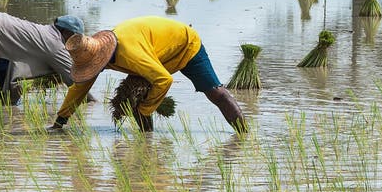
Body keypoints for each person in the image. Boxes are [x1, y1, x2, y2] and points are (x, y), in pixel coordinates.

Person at [49, 15, 246, 131]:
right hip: (155, 53)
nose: (93, 71)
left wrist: (145, 109)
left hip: (185, 45)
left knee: (216, 94)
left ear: (103, 58)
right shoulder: (96, 53)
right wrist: (60, 121)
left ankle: (245, 136)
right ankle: (147, 143)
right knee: (134, 95)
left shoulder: (129, 54)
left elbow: (164, 80)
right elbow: (80, 88)